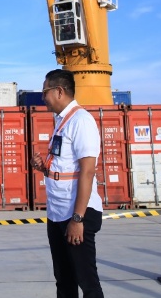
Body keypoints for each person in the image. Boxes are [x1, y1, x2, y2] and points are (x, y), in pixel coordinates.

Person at [31, 69, 104, 298]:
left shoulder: (81, 121)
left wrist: (77, 219)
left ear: (59, 91)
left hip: (75, 214)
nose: (43, 97)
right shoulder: (62, 121)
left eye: (45, 92)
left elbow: (87, 170)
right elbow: (65, 166)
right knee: (64, 280)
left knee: (87, 282)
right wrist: (44, 166)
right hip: (57, 213)